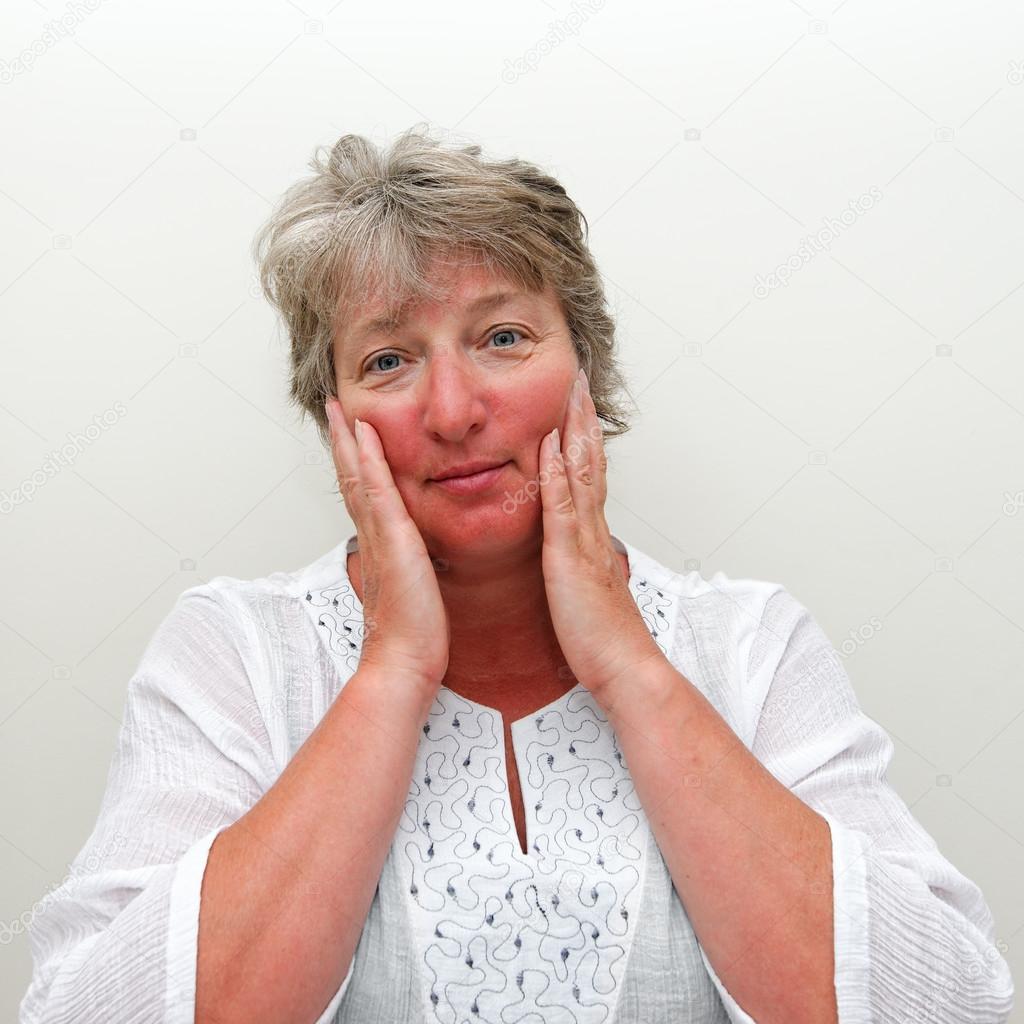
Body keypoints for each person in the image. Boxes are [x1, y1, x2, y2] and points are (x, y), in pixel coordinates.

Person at [20, 125, 1015, 1024]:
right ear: (334, 418)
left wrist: (627, 664)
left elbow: (952, 1007)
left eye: (503, 338)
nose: (453, 411)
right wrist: (393, 669)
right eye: (388, 361)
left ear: (586, 366)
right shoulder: (234, 652)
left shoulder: (750, 643)